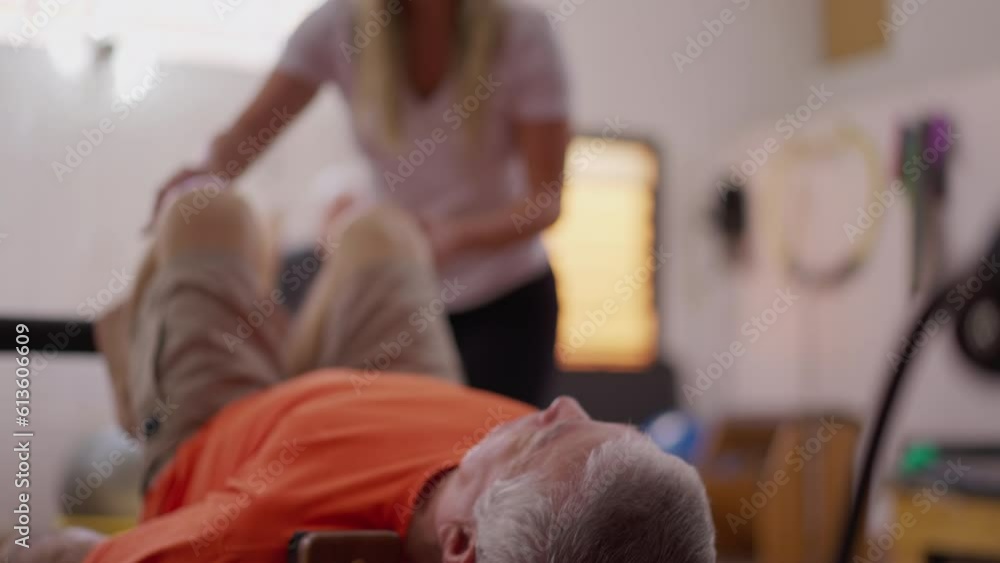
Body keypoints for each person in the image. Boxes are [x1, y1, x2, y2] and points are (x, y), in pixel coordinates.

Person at [6, 188, 715, 563]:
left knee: (206, 212)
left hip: (225, 428)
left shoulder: (245, 537)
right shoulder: (520, 490)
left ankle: (150, 372)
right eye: (596, 425)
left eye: (544, 437)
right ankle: (298, 303)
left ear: (461, 542)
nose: (560, 406)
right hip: (394, 391)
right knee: (382, 229)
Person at [153, 0, 570, 405]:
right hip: (398, 297)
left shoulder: (523, 35)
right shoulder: (336, 26)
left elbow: (545, 201)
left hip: (504, 302)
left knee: (481, 447)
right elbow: (247, 135)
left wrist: (454, 237)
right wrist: (199, 178)